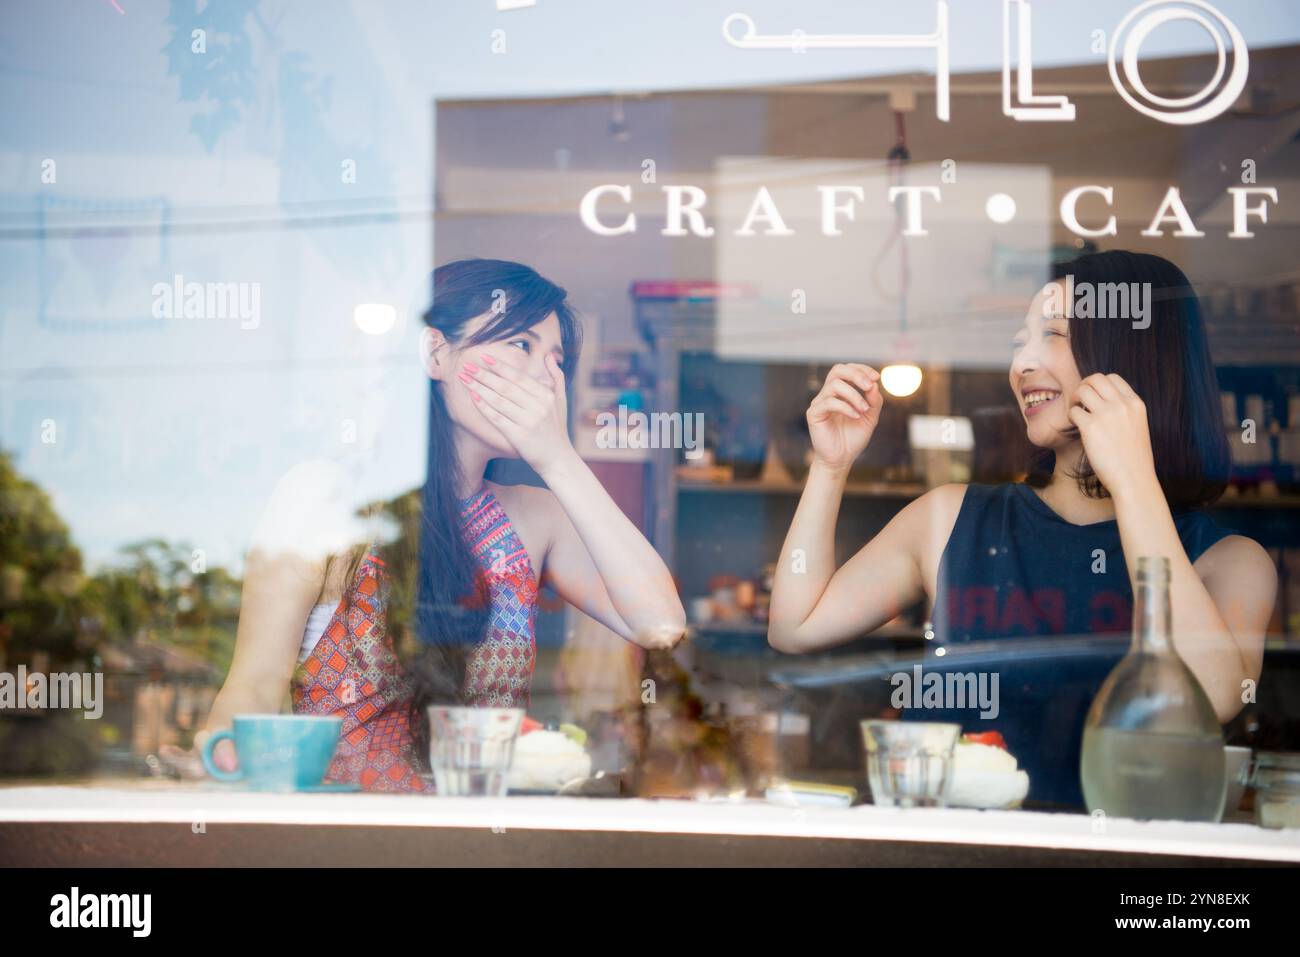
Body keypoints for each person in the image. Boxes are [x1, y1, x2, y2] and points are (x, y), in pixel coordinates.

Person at [768, 250, 1276, 806]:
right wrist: (831, 465)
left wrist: (1132, 478)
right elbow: (797, 625)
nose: (1022, 363)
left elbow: (1215, 695)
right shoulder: (950, 517)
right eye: (1018, 343)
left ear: (1132, 352)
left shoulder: (1230, 561)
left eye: (1052, 335)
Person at [179, 259, 686, 791]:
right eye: (521, 345)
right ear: (436, 353)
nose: (544, 375)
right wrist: (226, 760)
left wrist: (559, 459)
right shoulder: (326, 497)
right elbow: (255, 686)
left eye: (557, 360)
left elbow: (661, 624)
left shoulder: (537, 515)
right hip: (344, 838)